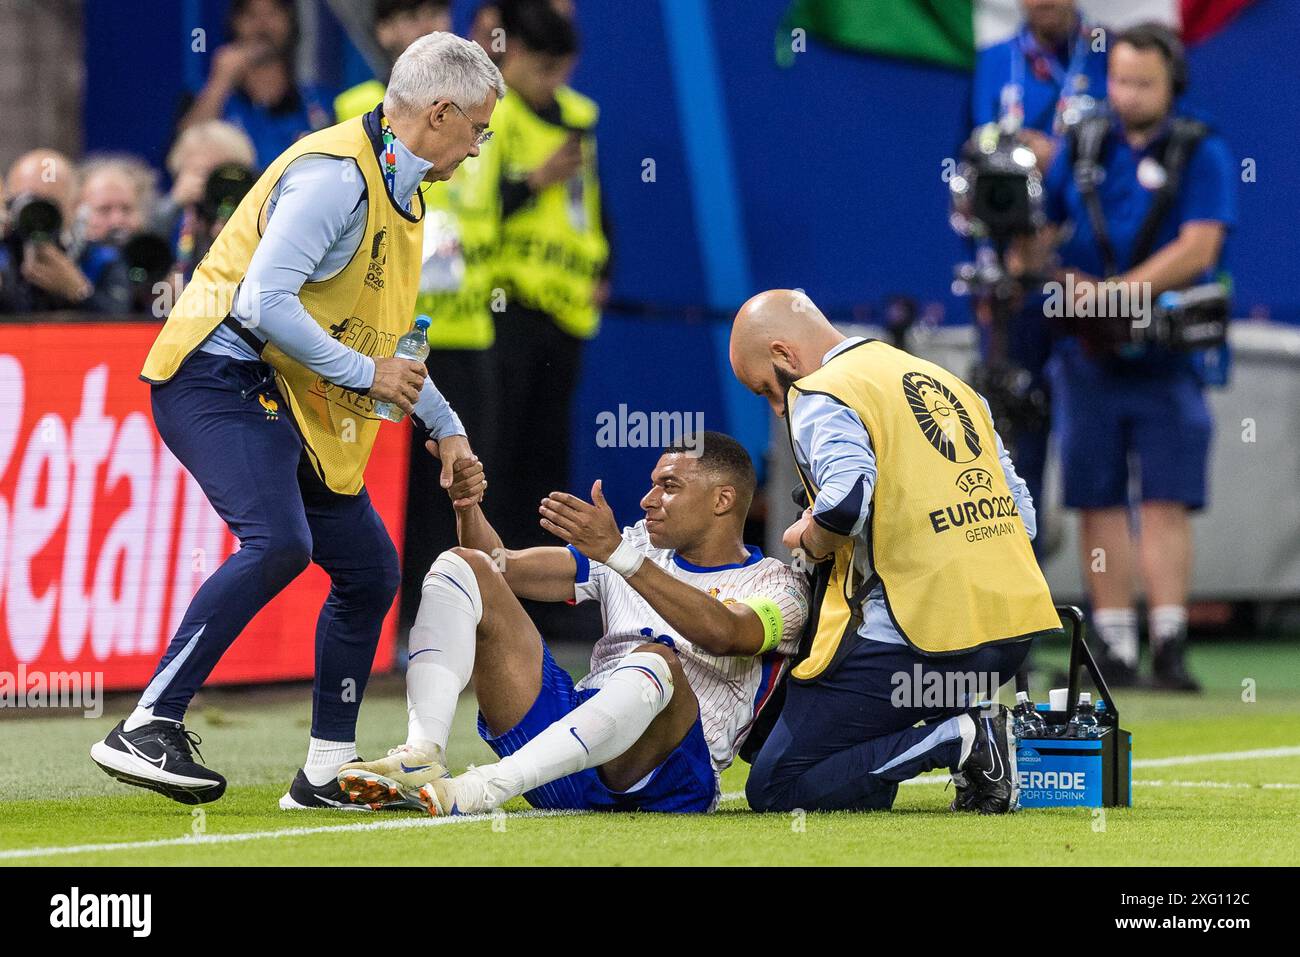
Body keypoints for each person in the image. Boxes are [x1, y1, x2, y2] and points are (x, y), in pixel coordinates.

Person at [89, 33, 505, 809]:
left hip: (278, 390)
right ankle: (146, 721)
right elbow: (262, 305)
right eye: (478, 128)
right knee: (280, 541)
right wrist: (370, 375)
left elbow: (384, 349)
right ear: (441, 113)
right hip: (215, 373)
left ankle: (322, 772)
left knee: (370, 570)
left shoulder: (403, 193)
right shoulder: (336, 178)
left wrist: (447, 427)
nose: (479, 148)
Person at [337, 432, 809, 815]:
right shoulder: (633, 548)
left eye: (669, 486)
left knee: (657, 659)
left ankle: (486, 788)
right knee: (463, 566)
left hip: (660, 776)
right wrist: (467, 505)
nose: (648, 500)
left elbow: (727, 633)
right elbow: (503, 567)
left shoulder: (778, 585)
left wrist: (620, 557)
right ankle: (422, 753)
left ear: (722, 500)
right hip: (566, 754)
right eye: (652, 484)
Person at [730, 290, 1062, 814]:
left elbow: (844, 506)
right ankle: (963, 735)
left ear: (784, 355)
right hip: (1009, 638)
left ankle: (961, 736)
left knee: (776, 785)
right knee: (829, 765)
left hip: (918, 642)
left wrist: (805, 537)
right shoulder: (947, 382)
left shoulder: (821, 391)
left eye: (767, 390)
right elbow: (1026, 517)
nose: (777, 406)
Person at [1037, 23, 1236, 691]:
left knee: (1164, 499)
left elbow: (1200, 247)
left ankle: (1170, 641)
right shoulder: (1085, 142)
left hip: (1166, 358)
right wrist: (1055, 278)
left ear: (1172, 85)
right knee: (1095, 497)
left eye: (1144, 83)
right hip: (1085, 359)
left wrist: (1117, 295)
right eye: (1119, 80)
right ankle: (1115, 644)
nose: (1128, 95)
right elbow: (1043, 237)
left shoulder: (1199, 150)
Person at [968, 0, 1109, 542]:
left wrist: (1062, 158)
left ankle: (1110, 618)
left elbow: (1133, 160)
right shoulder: (994, 62)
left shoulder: (1111, 56)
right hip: (1014, 284)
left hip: (1090, 284)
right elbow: (968, 169)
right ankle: (1014, 593)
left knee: (1097, 432)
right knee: (1007, 436)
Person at [489, 0, 610, 553]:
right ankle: (494, 572)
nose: (554, 83)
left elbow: (592, 211)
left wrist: (604, 268)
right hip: (503, 308)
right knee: (497, 450)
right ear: (510, 53)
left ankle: (545, 582)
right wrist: (534, 181)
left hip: (566, 311)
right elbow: (467, 206)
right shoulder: (491, 114)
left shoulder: (580, 119)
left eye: (563, 70)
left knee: (548, 452)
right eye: (543, 69)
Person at [176, 0, 333, 168]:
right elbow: (181, 156)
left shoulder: (323, 101)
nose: (262, 24)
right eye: (251, 15)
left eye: (273, 13)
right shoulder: (206, 96)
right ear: (234, 22)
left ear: (290, 21)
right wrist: (219, 83)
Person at [0, 149, 131, 315]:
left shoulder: (101, 258)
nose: (37, 215)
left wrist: (79, 291)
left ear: (75, 205)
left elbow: (123, 323)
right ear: (9, 204)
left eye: (50, 206)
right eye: (27, 202)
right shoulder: (3, 252)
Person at [334, 0, 453, 123]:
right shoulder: (355, 106)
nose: (426, 28)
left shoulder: (470, 96)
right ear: (384, 31)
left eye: (434, 13)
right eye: (411, 17)